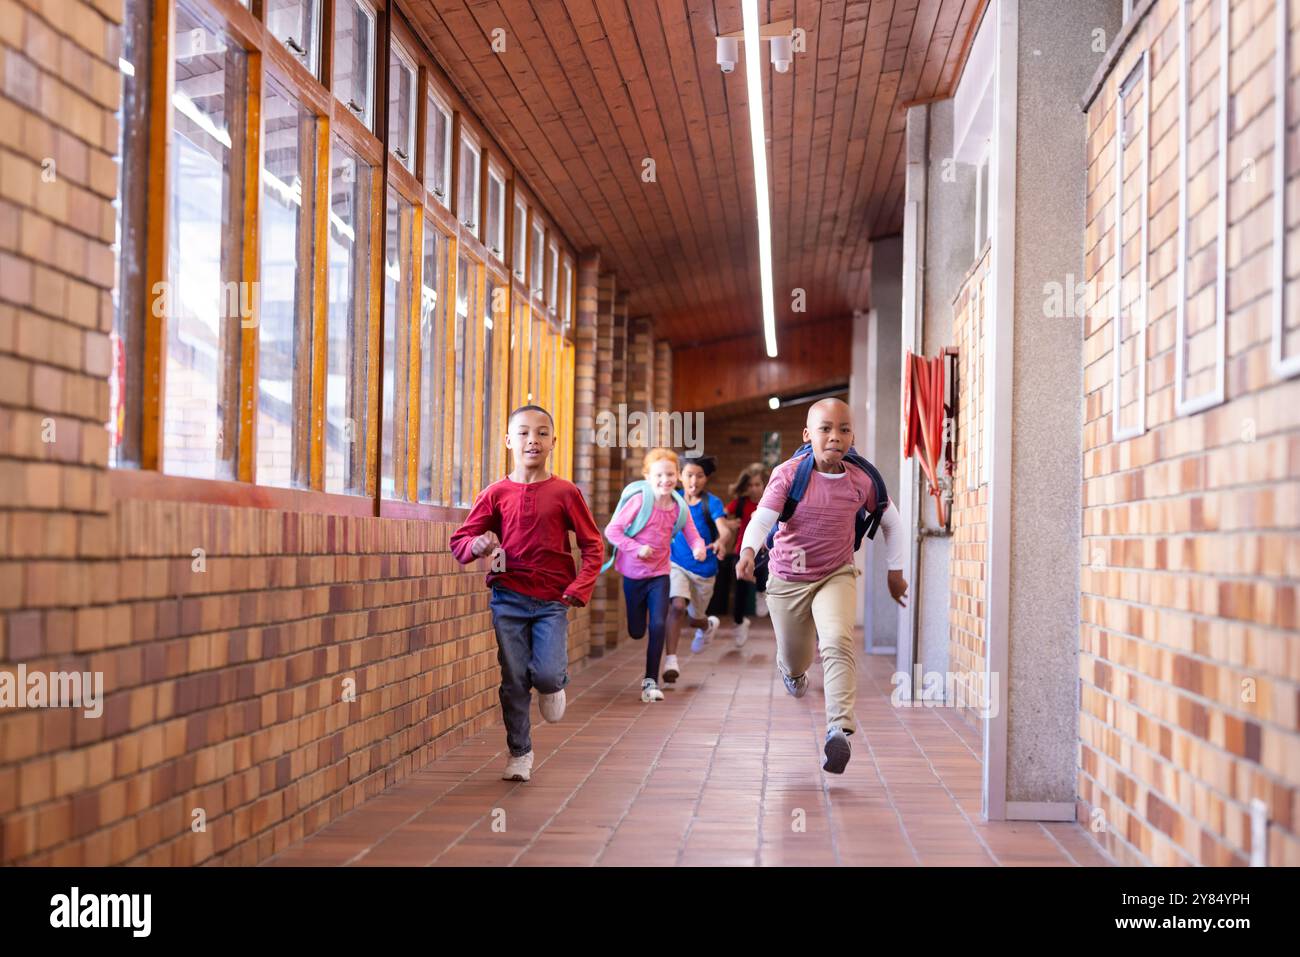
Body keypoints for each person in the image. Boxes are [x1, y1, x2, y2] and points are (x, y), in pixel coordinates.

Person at [736, 398, 908, 775]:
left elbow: (892, 523)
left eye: (844, 429)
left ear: (852, 435)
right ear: (807, 434)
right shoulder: (789, 473)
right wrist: (748, 551)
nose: (835, 437)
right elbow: (763, 519)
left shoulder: (863, 479)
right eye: (825, 429)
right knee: (797, 660)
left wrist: (895, 573)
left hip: (835, 573)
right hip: (787, 579)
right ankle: (793, 672)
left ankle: (838, 730)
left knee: (836, 639)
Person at [450, 405, 604, 783]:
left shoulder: (566, 492)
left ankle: (554, 684)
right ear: (508, 441)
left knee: (547, 674)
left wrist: (577, 587)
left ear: (553, 442)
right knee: (514, 678)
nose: (532, 439)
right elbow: (460, 542)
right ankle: (519, 752)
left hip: (553, 600)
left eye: (541, 433)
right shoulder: (494, 493)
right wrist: (479, 544)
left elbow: (593, 545)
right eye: (522, 432)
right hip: (508, 598)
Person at [604, 448, 708, 702]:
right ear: (648, 476)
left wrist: (698, 547)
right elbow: (613, 531)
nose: (665, 480)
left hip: (660, 574)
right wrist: (636, 548)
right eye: (659, 475)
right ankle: (639, 636)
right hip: (633, 574)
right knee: (637, 630)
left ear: (678, 477)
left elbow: (691, 532)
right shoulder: (640, 501)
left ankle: (650, 683)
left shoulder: (678, 507)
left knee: (658, 624)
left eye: (670, 474)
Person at [662, 455, 733, 682]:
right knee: (677, 607)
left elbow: (724, 530)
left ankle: (707, 626)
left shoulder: (711, 503)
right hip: (677, 564)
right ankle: (671, 660)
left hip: (704, 570)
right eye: (689, 475)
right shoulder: (672, 499)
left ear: (707, 478)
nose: (694, 481)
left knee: (694, 619)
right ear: (680, 476)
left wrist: (721, 542)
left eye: (699, 476)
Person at [722, 463, 768, 647]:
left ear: (764, 485)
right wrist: (728, 524)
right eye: (750, 485)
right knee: (740, 590)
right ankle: (739, 623)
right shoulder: (741, 503)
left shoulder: (770, 502)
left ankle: (761, 591)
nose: (754, 488)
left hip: (764, 550)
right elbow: (721, 514)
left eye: (758, 484)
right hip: (741, 549)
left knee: (765, 569)